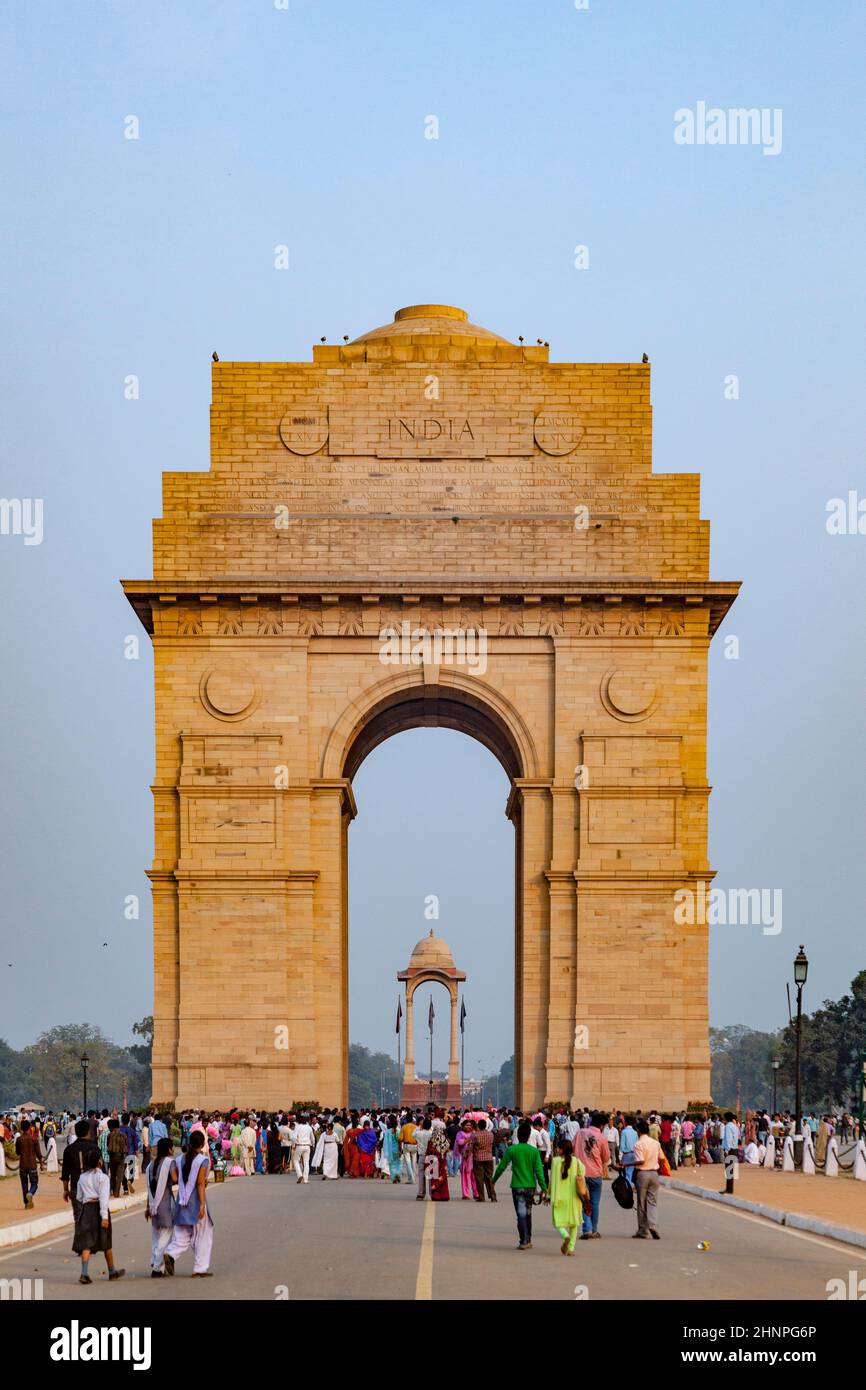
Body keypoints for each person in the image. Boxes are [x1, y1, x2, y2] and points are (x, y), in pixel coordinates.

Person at [163, 1130, 213, 1278]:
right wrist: (202, 1205)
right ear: (203, 1144)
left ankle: (170, 1253)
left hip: (182, 1202)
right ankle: (200, 1268)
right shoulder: (203, 1160)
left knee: (182, 1233)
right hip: (196, 1202)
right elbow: (199, 1183)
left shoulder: (178, 1160)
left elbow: (176, 1178)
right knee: (203, 1234)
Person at [493, 1120, 547, 1250]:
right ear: (529, 1136)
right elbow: (539, 1171)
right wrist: (544, 1188)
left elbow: (502, 1166)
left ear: (517, 1135)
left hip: (517, 1186)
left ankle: (524, 1240)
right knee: (528, 1213)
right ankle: (528, 1239)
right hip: (530, 1186)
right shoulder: (533, 1151)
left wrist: (493, 1180)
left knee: (521, 1214)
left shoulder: (512, 1149)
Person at [73, 1148, 125, 1284]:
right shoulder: (103, 1178)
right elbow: (103, 1198)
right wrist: (105, 1217)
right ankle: (112, 1270)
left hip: (86, 1209)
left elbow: (79, 1196)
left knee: (86, 1243)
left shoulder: (82, 1177)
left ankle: (84, 1273)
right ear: (99, 1162)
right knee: (106, 1241)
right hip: (99, 1210)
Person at [620, 1118, 662, 1240]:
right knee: (652, 1202)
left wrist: (626, 1165)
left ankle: (643, 1230)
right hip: (654, 1173)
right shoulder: (656, 1143)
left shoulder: (638, 1144)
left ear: (638, 1131)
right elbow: (662, 1158)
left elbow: (641, 1160)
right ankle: (653, 1225)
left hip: (642, 1174)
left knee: (641, 1203)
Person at [548, 1135, 588, 1255]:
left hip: (559, 1196)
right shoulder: (576, 1162)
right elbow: (583, 1173)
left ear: (561, 1150)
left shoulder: (555, 1161)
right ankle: (571, 1248)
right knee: (574, 1223)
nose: (556, 1150)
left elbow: (552, 1180)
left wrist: (548, 1194)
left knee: (558, 1222)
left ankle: (565, 1236)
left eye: (558, 1148)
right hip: (574, 1198)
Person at [574, 1112, 610, 1239]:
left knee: (585, 1202)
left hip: (581, 1173)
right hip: (596, 1174)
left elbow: (572, 1149)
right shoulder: (601, 1138)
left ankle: (587, 1229)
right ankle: (594, 1230)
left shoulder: (579, 1133)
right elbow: (606, 1157)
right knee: (594, 1203)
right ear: (601, 1125)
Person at [144, 1137, 176, 1277]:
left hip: (153, 1205)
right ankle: (157, 1266)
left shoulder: (151, 1165)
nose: (174, 1150)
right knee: (165, 1235)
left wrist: (147, 1207)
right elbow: (175, 1179)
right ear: (169, 1149)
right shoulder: (170, 1163)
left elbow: (149, 1188)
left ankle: (157, 1265)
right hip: (165, 1204)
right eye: (172, 1147)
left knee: (156, 1236)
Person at [61, 1118, 99, 1223]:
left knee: (78, 1219)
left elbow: (65, 1173)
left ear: (76, 1133)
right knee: (92, 1220)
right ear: (88, 1132)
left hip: (75, 1188)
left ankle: (80, 1237)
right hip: (92, 1189)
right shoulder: (94, 1148)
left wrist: (65, 1190)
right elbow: (100, 1170)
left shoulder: (69, 1149)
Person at [15, 1119, 42, 1210]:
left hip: (22, 1165)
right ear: (30, 1127)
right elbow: (38, 1154)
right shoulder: (34, 1139)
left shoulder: (19, 1139)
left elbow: (17, 1153)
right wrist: (41, 1164)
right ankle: (30, 1193)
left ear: (21, 1129)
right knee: (34, 1183)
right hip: (32, 1165)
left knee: (24, 1184)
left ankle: (27, 1204)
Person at [469, 1118, 497, 1202]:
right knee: (489, 1177)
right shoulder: (491, 1134)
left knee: (479, 1178)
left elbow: (471, 1147)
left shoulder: (475, 1135)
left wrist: (466, 1154)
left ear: (478, 1126)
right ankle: (493, 1196)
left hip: (478, 1158)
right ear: (486, 1126)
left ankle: (481, 1196)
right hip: (489, 1158)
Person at [426, 1124, 451, 1201]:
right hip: (442, 1161)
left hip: (434, 1161)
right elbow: (447, 1149)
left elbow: (428, 1152)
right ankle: (444, 1195)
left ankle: (436, 1195)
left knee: (435, 1176)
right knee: (442, 1177)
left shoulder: (431, 1141)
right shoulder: (445, 1141)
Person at [455, 1119, 477, 1199]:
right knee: (465, 1176)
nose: (468, 1127)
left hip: (473, 1158)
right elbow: (460, 1142)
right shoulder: (460, 1133)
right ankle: (465, 1194)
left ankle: (476, 1193)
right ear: (463, 1126)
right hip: (465, 1158)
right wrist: (469, 1139)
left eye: (470, 1125)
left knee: (474, 1177)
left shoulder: (474, 1133)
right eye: (466, 1125)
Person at [292, 1114, 315, 1182]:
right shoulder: (309, 1127)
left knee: (296, 1161)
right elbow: (312, 1138)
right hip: (307, 1146)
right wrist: (313, 1144)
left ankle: (300, 1175)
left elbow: (293, 1137)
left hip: (299, 1145)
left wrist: (294, 1143)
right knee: (306, 1162)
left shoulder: (297, 1127)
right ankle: (306, 1179)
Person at [414, 1116, 433, 1199]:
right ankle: (432, 1193)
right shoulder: (431, 1134)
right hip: (430, 1156)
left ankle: (421, 1193)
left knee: (421, 1175)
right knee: (430, 1175)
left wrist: (420, 1127)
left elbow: (413, 1134)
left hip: (421, 1155)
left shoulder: (418, 1133)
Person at [382, 1116, 402, 1182]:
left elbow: (385, 1142)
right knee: (398, 1163)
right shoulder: (399, 1131)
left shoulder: (388, 1132)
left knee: (392, 1164)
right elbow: (400, 1142)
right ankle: (397, 1173)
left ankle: (393, 1178)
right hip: (397, 1149)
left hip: (390, 1150)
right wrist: (400, 1151)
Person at [399, 1112, 417, 1183]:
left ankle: (411, 1178)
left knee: (408, 1162)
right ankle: (413, 1178)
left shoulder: (404, 1127)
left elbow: (400, 1139)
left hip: (407, 1145)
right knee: (414, 1162)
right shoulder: (415, 1127)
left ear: (406, 1120)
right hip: (415, 1145)